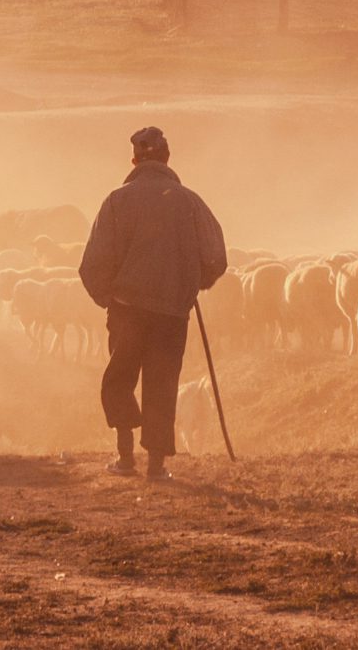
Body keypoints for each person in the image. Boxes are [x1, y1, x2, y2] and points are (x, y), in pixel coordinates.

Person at [79, 126, 227, 480]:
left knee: (120, 377)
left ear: (135, 160)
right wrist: (190, 287)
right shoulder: (189, 201)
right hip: (172, 313)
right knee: (162, 383)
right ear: (166, 157)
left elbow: (92, 264)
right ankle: (156, 466)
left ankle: (125, 458)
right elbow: (216, 258)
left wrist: (108, 298)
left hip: (127, 308)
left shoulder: (116, 200)